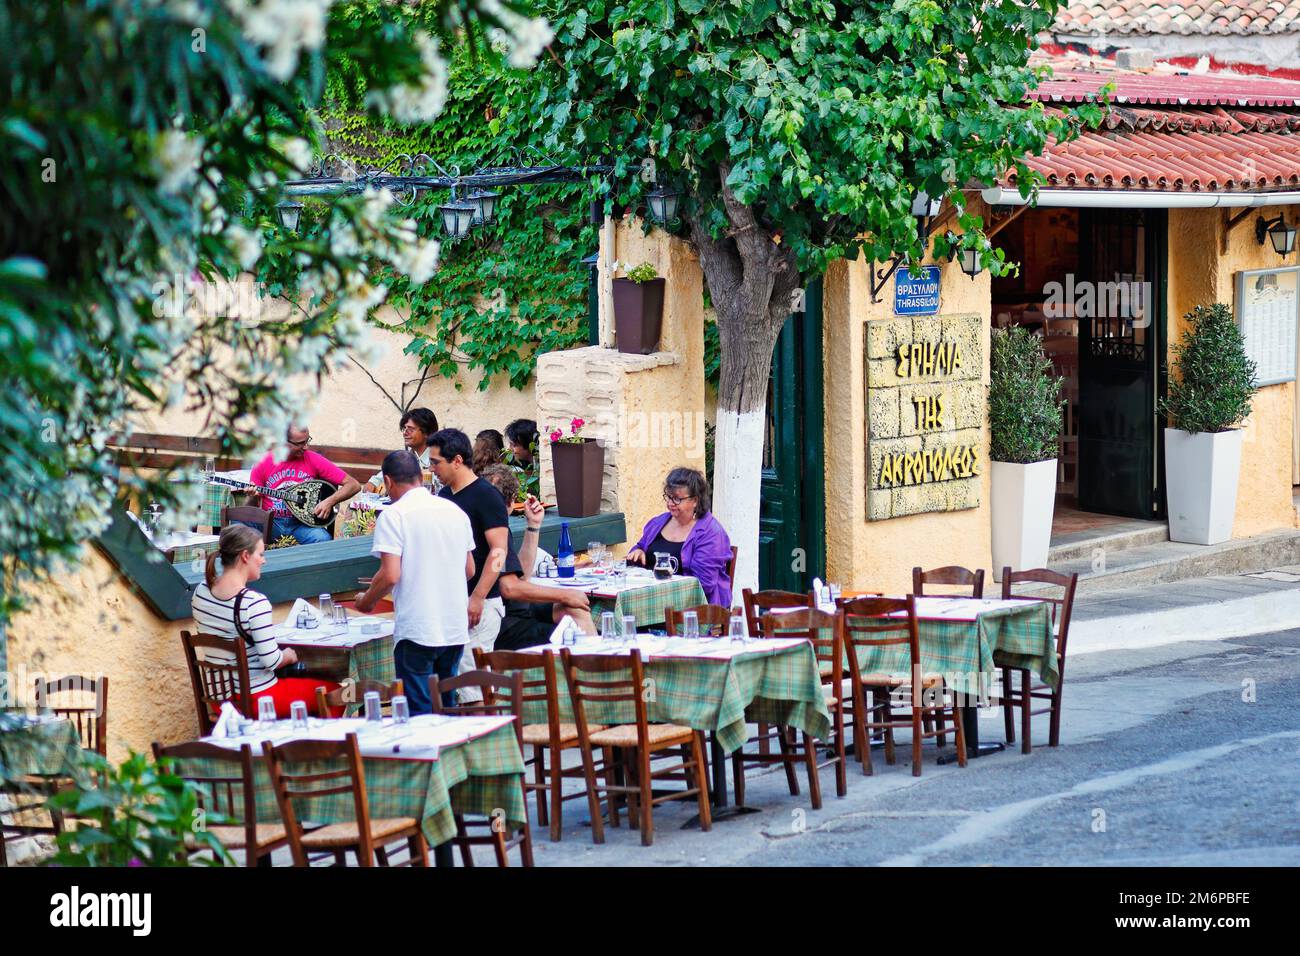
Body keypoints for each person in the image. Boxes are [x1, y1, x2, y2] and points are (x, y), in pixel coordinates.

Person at [354, 449, 475, 715]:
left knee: (420, 713)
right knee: (446, 706)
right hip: (453, 625)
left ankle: (429, 757)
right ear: (421, 476)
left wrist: (366, 601)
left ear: (387, 481)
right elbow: (468, 569)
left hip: (419, 627)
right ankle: (449, 755)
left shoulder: (393, 515)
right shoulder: (454, 511)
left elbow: (391, 574)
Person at [191, 524, 340, 716]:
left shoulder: (201, 591)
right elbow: (272, 661)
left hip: (220, 700)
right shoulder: (253, 603)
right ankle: (319, 745)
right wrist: (290, 655)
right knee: (336, 691)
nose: (264, 561)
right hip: (257, 698)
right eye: (260, 555)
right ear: (245, 556)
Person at [479, 464, 594, 648]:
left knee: (575, 610)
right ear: (512, 502)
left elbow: (521, 577)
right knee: (572, 633)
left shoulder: (497, 524)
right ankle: (591, 669)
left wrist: (533, 525)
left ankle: (595, 667)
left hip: (517, 611)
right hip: (500, 622)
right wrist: (565, 595)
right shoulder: (491, 527)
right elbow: (509, 588)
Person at [429, 428, 510, 684]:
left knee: (473, 683)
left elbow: (499, 551)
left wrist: (477, 597)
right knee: (451, 683)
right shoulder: (443, 496)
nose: (431, 468)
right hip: (451, 603)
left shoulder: (487, 495)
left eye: (435, 462)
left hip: (481, 603)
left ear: (457, 460)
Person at [627, 467, 733, 607]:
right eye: (669, 496)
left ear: (695, 500)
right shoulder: (658, 522)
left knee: (625, 619)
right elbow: (641, 546)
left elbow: (703, 584)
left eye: (677, 499)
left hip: (694, 611)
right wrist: (638, 551)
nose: (670, 503)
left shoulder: (710, 533)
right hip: (650, 600)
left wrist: (662, 589)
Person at [248, 424, 361, 544]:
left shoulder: (313, 459)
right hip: (272, 523)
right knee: (237, 524)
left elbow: (354, 485)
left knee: (322, 539)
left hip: (303, 525)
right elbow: (251, 508)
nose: (306, 447)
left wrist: (329, 501)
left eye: (307, 441)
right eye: (300, 443)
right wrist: (252, 497)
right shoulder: (262, 462)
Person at [366, 407, 440, 493]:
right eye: (404, 428)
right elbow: (371, 485)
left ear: (427, 432)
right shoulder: (403, 460)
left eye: (411, 429)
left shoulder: (439, 460)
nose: (405, 433)